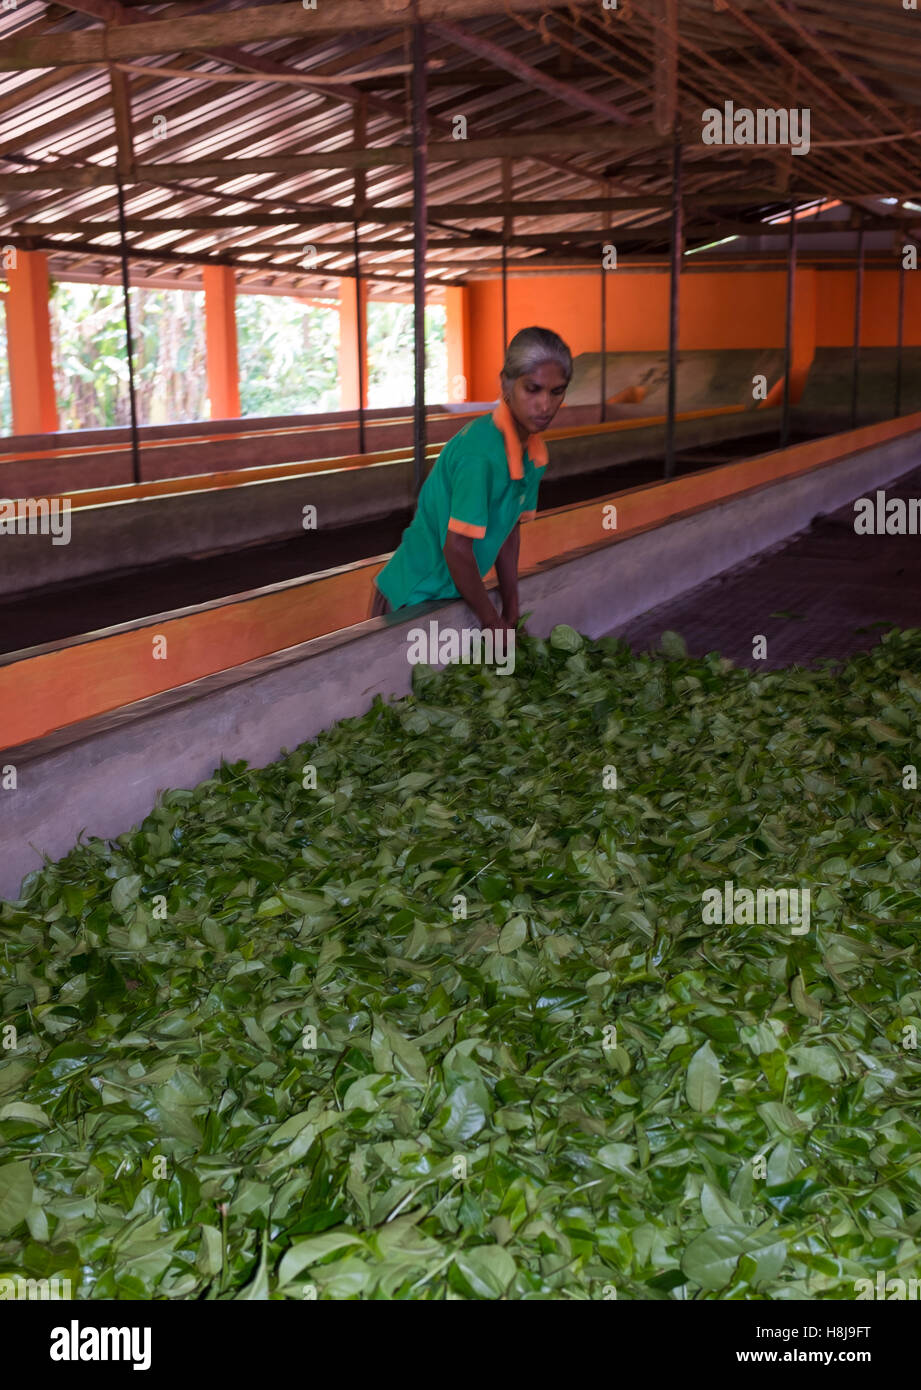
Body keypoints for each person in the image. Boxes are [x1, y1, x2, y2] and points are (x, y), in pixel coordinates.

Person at [370, 326, 572, 633]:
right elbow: (457, 549)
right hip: (411, 596)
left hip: (448, 596)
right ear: (506, 384)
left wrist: (512, 604)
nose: (545, 405)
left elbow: (507, 531)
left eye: (556, 391)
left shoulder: (533, 454)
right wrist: (492, 622)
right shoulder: (481, 454)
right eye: (533, 389)